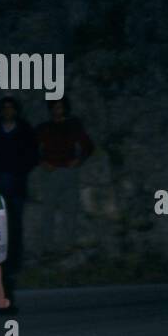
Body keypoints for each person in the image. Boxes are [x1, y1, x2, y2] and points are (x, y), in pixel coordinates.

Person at [0, 97, 39, 274]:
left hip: (17, 184)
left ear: (16, 111)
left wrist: (20, 169)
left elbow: (32, 154)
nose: (7, 111)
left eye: (10, 108)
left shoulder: (25, 130)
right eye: (4, 108)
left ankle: (15, 263)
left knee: (16, 224)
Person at [34, 99, 94, 257]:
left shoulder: (73, 125)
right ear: (50, 109)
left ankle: (68, 245)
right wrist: (42, 162)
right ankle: (47, 246)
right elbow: (31, 148)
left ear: (65, 108)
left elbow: (88, 146)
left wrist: (78, 160)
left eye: (60, 107)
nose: (57, 110)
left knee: (70, 210)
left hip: (69, 171)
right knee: (48, 210)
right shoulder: (44, 127)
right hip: (51, 172)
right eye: (54, 107)